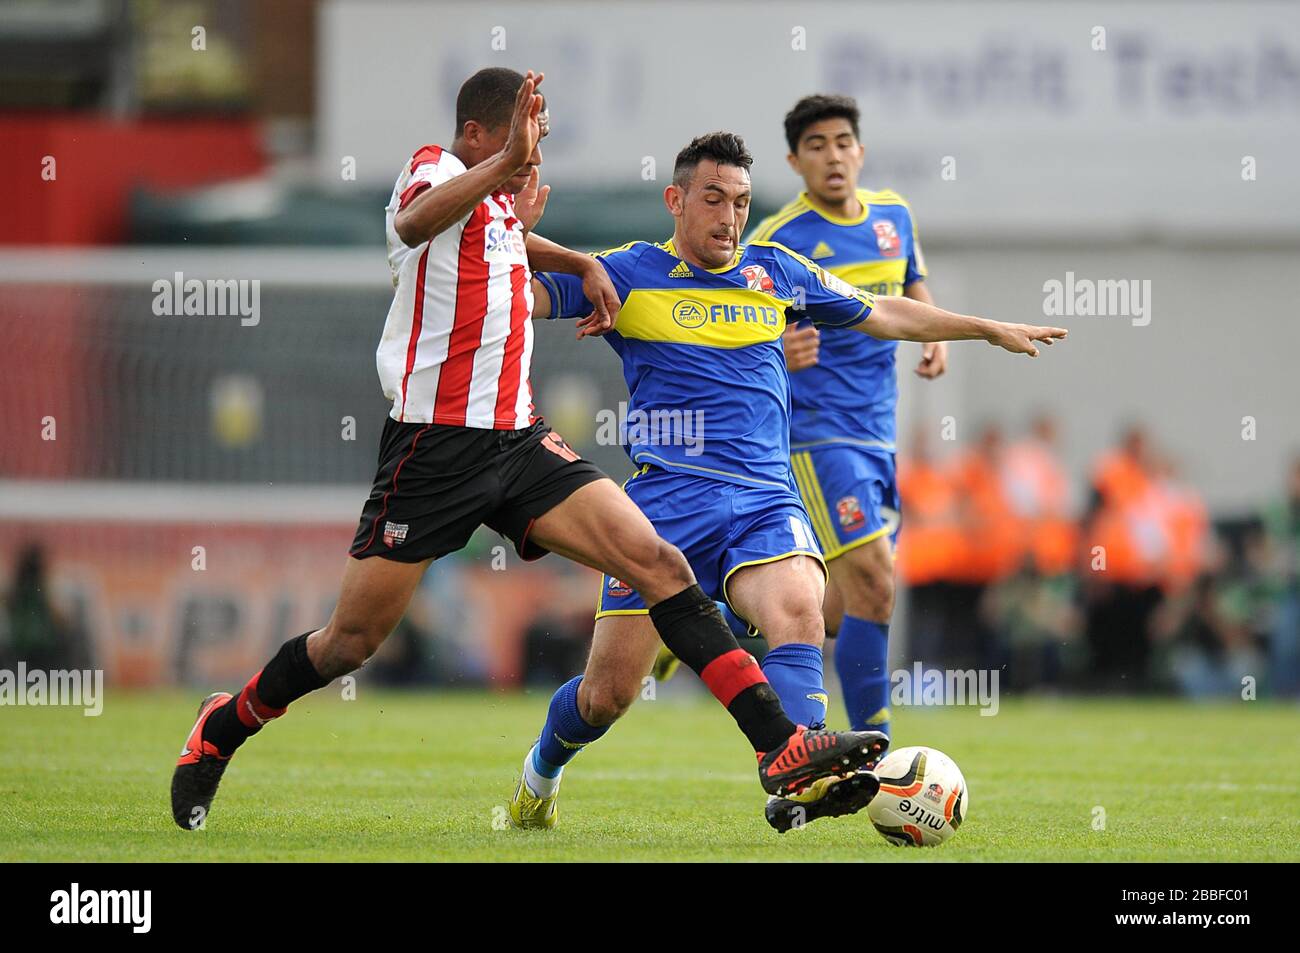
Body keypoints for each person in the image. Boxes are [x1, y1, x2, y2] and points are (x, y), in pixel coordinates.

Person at [170, 69, 885, 832]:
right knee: (349, 642)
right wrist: (507, 165)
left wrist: (577, 260)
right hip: (434, 449)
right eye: (518, 145)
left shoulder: (498, 212)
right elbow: (413, 225)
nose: (528, 163)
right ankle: (225, 723)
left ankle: (780, 747)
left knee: (659, 563)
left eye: (533, 151)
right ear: (479, 134)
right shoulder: (434, 172)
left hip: (520, 441)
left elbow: (510, 237)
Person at [516, 130, 1066, 832]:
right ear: (675, 200)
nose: (729, 216)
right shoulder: (628, 272)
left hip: (764, 498)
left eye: (741, 202)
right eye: (713, 199)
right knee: (606, 696)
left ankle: (801, 775)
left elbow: (886, 310)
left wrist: (982, 327)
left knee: (801, 612)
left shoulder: (777, 271)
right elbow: (519, 299)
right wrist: (501, 238)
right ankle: (540, 772)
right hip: (664, 509)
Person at [744, 94, 946, 744]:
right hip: (815, 436)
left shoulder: (894, 216)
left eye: (841, 142)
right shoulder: (776, 238)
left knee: (838, 608)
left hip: (877, 436)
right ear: (794, 161)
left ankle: (718, 610)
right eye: (816, 146)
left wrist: (933, 329)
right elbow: (733, 329)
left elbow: (911, 280)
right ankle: (879, 749)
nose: (832, 155)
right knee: (876, 581)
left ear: (859, 150)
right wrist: (778, 347)